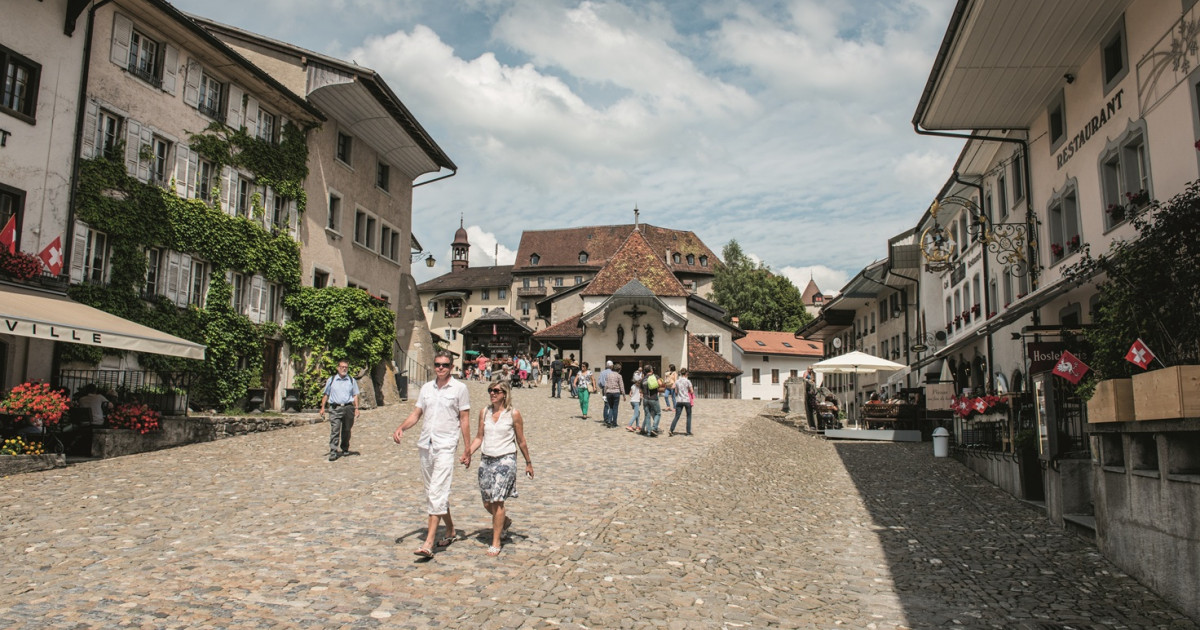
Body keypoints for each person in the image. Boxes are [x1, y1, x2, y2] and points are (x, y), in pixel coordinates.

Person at [391, 351, 472, 558]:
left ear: (451, 367)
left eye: (445, 365)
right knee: (432, 493)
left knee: (437, 492)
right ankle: (451, 530)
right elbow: (416, 413)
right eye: (437, 364)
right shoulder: (427, 388)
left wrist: (467, 448)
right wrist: (402, 427)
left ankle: (429, 542)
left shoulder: (460, 389)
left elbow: (464, 419)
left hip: (446, 445)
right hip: (426, 444)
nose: (441, 368)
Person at [464, 381, 532, 557]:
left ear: (504, 394)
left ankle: (496, 542)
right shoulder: (484, 412)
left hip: (506, 459)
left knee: (498, 499)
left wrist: (528, 462)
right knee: (487, 502)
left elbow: (521, 440)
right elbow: (479, 437)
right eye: (490, 390)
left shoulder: (513, 414)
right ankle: (505, 522)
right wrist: (468, 453)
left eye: (496, 391)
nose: (492, 393)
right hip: (486, 459)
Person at [320, 359, 360, 462]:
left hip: (348, 408)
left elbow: (355, 395)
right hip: (335, 408)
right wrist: (322, 407)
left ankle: (345, 447)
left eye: (346, 367)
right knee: (335, 430)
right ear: (338, 368)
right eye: (342, 367)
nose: (344, 369)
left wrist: (356, 408)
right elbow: (326, 394)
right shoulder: (332, 380)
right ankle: (333, 451)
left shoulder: (351, 380)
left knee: (347, 429)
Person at [668, 368, 695, 436]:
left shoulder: (677, 381)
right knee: (688, 416)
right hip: (686, 400)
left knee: (677, 416)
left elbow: (674, 389)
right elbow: (692, 391)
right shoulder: (688, 381)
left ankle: (671, 430)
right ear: (686, 374)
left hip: (679, 400)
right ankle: (688, 432)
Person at [640, 365, 663, 436]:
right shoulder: (655, 376)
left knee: (647, 415)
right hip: (653, 398)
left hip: (645, 399)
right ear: (651, 370)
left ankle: (649, 432)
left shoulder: (643, 379)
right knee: (658, 413)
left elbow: (640, 391)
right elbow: (660, 384)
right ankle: (654, 428)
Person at [602, 362, 625, 428]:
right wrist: (623, 394)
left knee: (610, 407)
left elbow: (606, 385)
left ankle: (609, 421)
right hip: (616, 392)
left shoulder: (608, 375)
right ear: (619, 369)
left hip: (609, 392)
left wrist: (605, 393)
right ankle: (614, 422)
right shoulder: (619, 376)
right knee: (615, 408)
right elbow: (621, 385)